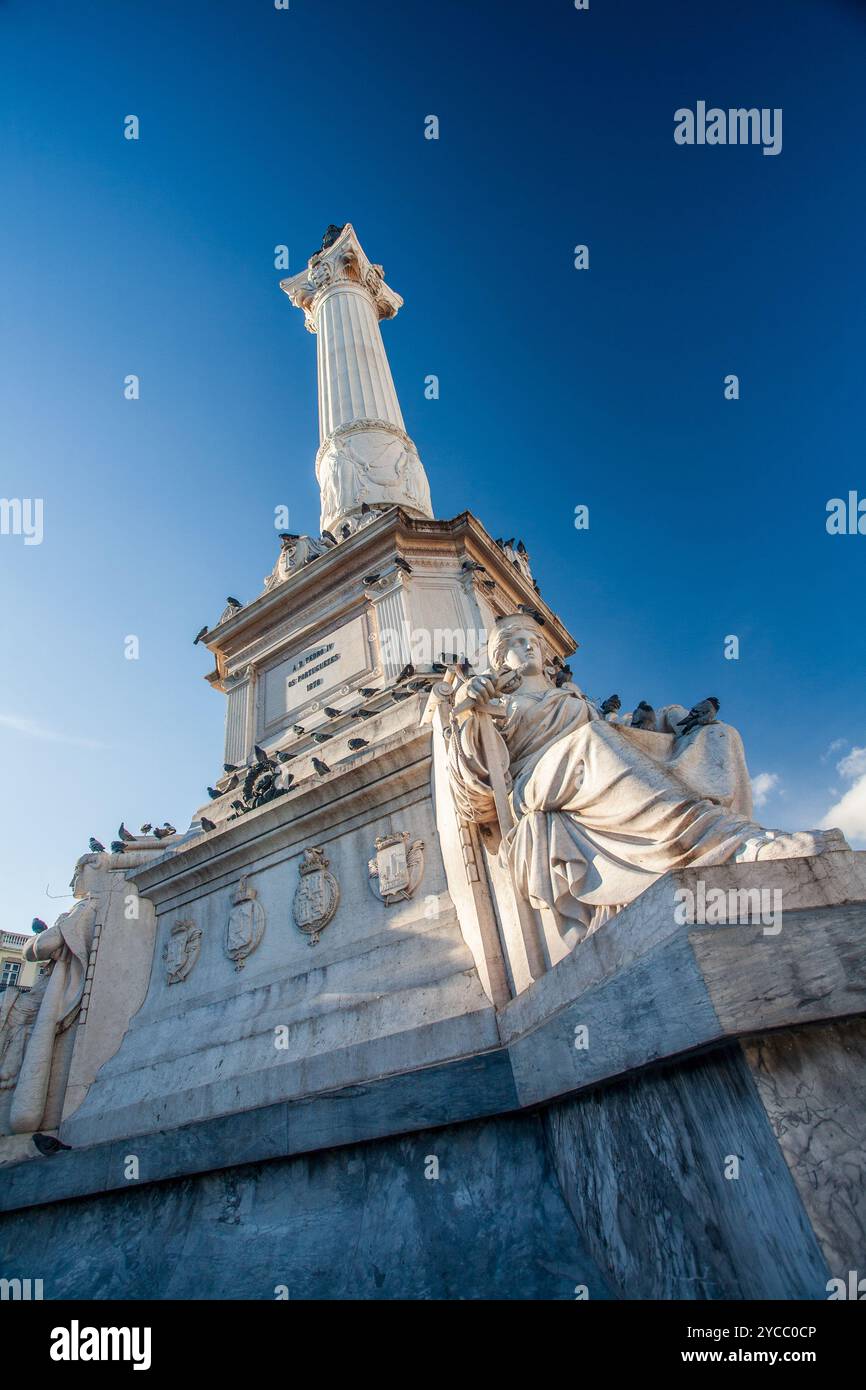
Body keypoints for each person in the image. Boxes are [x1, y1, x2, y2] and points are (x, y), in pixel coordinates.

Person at [447, 614, 846, 942]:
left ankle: (735, 833)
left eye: (532, 638)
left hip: (591, 764)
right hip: (534, 783)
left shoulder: (575, 699)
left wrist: (669, 724)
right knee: (591, 741)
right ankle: (729, 845)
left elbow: (619, 736)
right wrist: (468, 715)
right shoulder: (498, 704)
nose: (529, 646)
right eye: (515, 642)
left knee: (712, 735)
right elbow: (475, 791)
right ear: (499, 659)